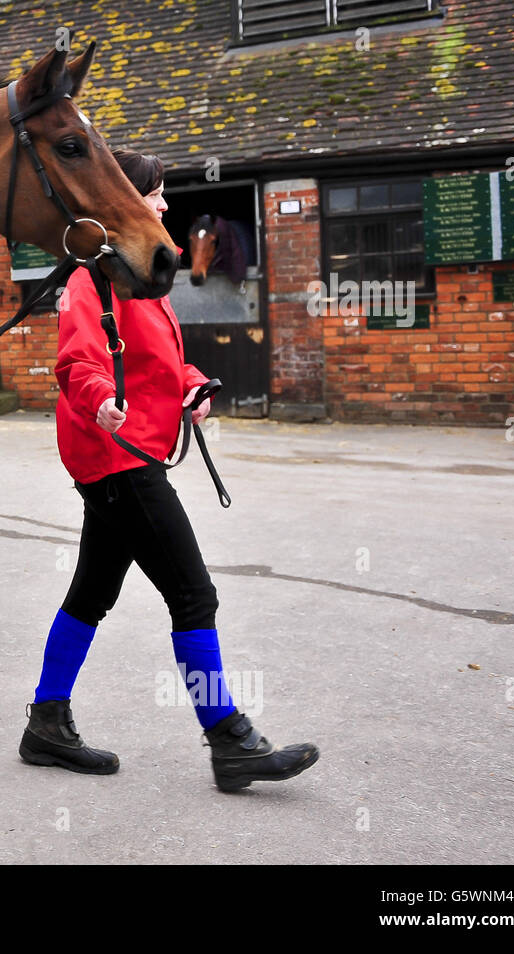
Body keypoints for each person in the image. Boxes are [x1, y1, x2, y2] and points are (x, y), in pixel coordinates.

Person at [19, 150, 319, 791]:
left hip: (131, 453)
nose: (163, 204)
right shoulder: (91, 280)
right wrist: (101, 399)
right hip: (117, 458)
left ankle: (46, 723)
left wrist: (191, 384)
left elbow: (158, 360)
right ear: (123, 201)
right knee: (193, 596)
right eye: (153, 193)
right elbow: (78, 363)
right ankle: (230, 739)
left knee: (91, 594)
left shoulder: (140, 274)